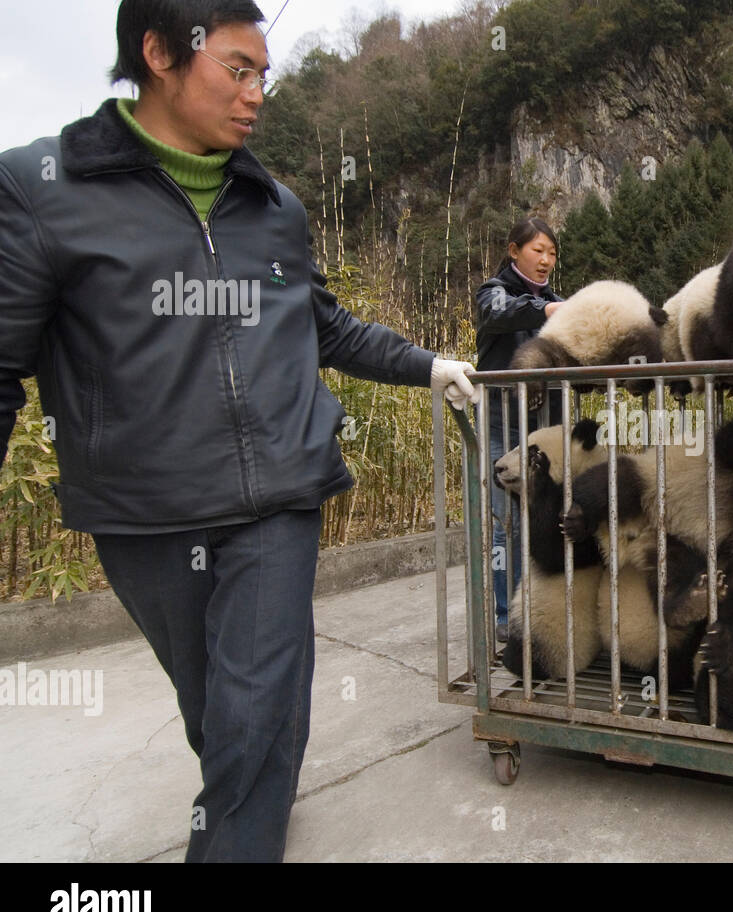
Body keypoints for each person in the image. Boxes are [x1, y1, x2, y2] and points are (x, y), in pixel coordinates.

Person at [0, 0, 476, 862]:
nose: (258, 93)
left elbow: (323, 326)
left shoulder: (274, 207)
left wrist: (428, 365)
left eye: (265, 73)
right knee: (217, 709)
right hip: (145, 510)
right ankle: (244, 808)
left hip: (280, 496)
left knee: (257, 706)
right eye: (238, 68)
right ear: (157, 53)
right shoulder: (43, 192)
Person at [474, 219, 564, 642]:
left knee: (551, 516)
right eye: (537, 250)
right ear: (514, 251)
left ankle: (544, 612)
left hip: (545, 430)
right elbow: (498, 315)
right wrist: (544, 309)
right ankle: (507, 618)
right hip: (500, 426)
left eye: (551, 253)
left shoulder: (558, 303)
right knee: (506, 521)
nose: (546, 260)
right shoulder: (494, 291)